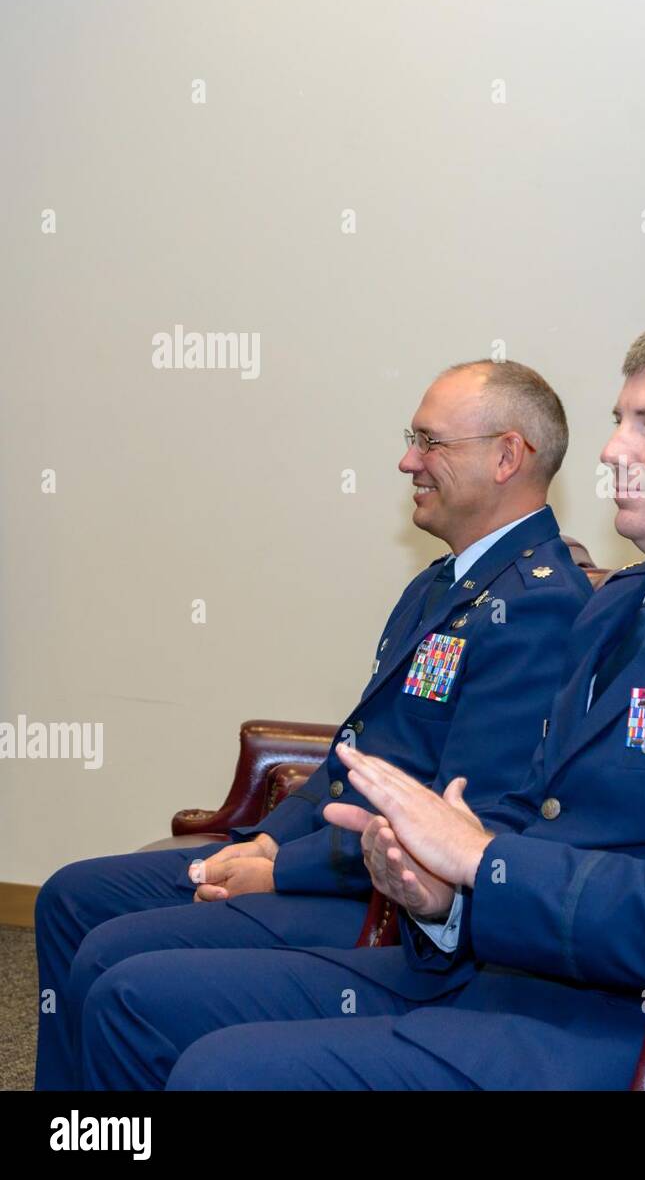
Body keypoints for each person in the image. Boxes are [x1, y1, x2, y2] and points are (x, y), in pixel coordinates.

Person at [79, 311, 645, 1091]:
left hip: (639, 1031)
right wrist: (435, 891)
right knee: (135, 999)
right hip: (502, 977)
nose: (613, 449)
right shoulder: (621, 604)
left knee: (228, 1072)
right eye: (619, 420)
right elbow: (528, 816)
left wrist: (479, 864)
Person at [35, 359, 591, 1089]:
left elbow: (463, 812)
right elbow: (352, 756)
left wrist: (279, 869)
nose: (407, 461)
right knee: (72, 896)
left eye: (429, 442)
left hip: (381, 902)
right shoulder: (438, 584)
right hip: (316, 858)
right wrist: (267, 837)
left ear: (506, 456)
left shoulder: (537, 604)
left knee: (116, 966)